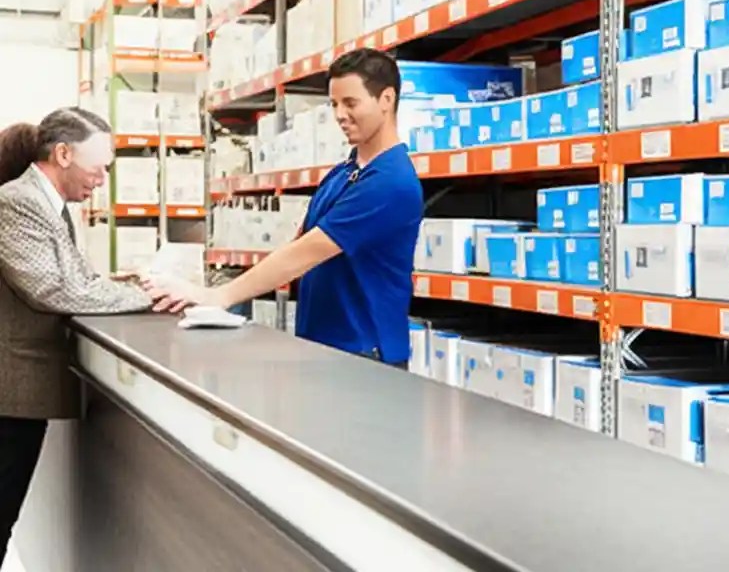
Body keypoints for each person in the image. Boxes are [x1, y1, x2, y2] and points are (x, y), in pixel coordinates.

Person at [151, 48, 424, 367]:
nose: (339, 115)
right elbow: (298, 245)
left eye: (351, 103)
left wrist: (219, 297)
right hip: (328, 347)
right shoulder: (344, 172)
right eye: (334, 104)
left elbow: (307, 252)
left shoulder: (391, 182)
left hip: (365, 354)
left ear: (387, 100)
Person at [0, 108, 161, 566]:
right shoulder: (18, 201)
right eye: (101, 165)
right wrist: (146, 299)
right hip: (9, 392)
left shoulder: (49, 206)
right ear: (64, 153)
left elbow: (72, 276)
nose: (103, 179)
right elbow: (53, 288)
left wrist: (126, 283)